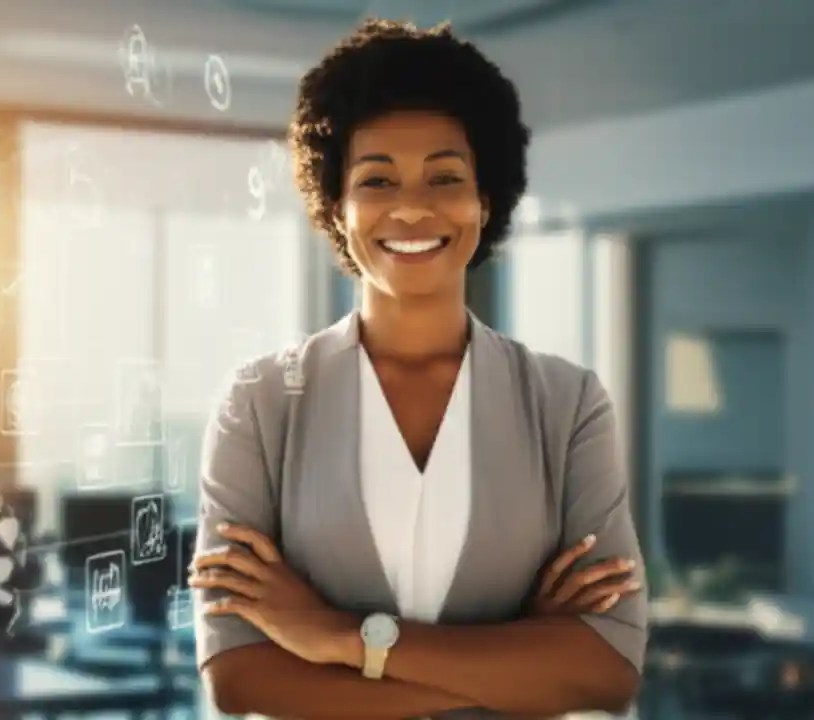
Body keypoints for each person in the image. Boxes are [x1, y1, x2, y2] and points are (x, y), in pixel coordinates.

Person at [190, 18, 648, 719]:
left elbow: (608, 669)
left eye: (445, 177)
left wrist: (339, 637)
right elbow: (242, 677)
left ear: (484, 200)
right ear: (336, 209)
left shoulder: (567, 403)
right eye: (377, 180)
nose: (412, 206)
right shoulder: (260, 404)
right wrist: (518, 653)